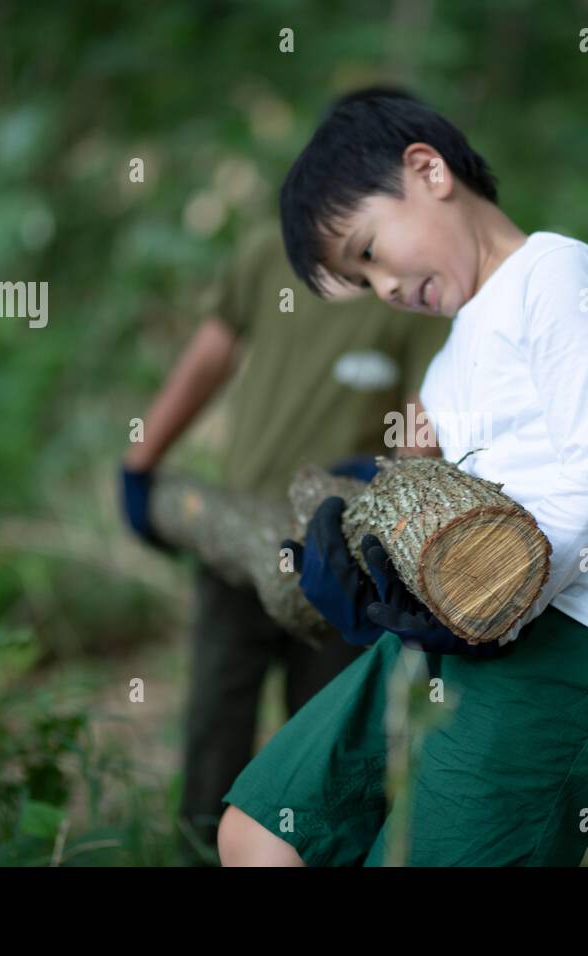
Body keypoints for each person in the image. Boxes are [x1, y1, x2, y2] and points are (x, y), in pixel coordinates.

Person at [217, 88, 588, 866]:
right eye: (361, 285)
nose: (385, 290)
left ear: (427, 170)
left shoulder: (557, 274)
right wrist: (367, 566)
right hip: (447, 636)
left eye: (368, 252)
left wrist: (488, 600)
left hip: (566, 631)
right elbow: (418, 494)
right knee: (262, 833)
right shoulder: (449, 361)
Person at [119, 217, 450, 860]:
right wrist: (142, 458)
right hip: (238, 541)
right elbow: (210, 355)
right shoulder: (269, 252)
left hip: (337, 558)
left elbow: (422, 415)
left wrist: (398, 509)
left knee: (326, 741)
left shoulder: (410, 285)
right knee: (216, 721)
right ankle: (196, 855)